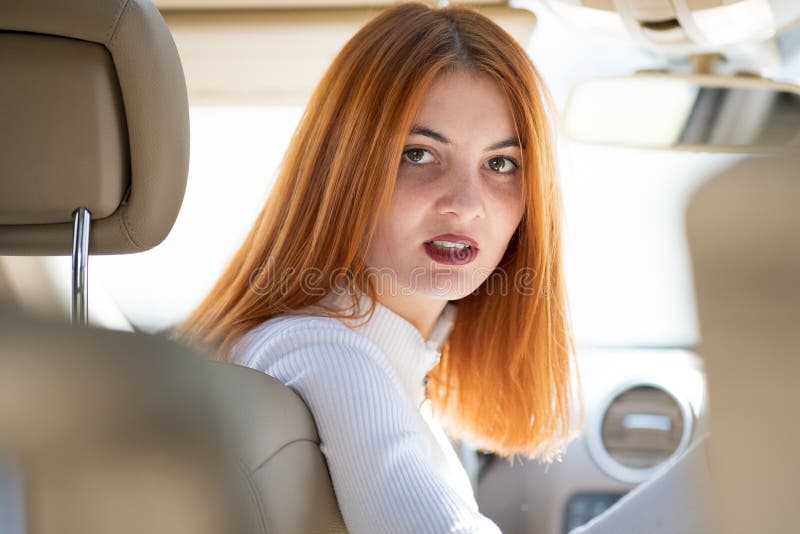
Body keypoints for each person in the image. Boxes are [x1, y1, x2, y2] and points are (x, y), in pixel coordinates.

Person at [178, 3, 580, 532]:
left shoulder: (381, 367)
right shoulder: (325, 352)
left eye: (500, 164)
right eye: (418, 154)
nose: (465, 202)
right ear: (342, 170)